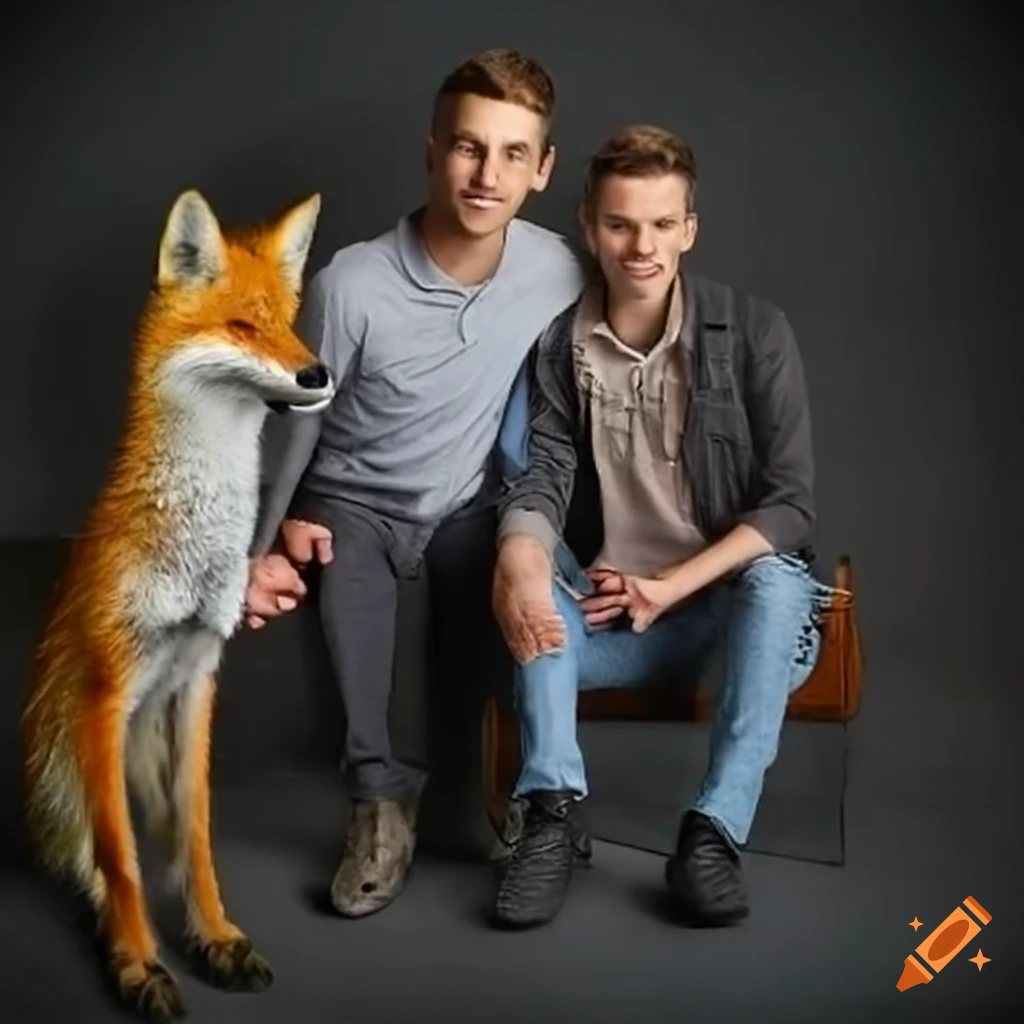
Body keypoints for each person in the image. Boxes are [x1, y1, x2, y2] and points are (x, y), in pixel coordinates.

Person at [243, 48, 586, 918]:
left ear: (543, 170)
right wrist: (263, 541)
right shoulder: (350, 284)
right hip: (353, 499)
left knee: (497, 594)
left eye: (513, 154)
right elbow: (294, 422)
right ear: (432, 151)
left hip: (466, 500)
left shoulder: (559, 271)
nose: (487, 174)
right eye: (468, 147)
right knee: (352, 601)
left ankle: (481, 798)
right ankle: (377, 806)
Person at [489, 123, 835, 930]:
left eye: (660, 224)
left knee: (777, 582)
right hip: (615, 622)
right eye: (619, 224)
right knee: (533, 592)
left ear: (689, 229)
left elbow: (790, 506)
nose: (640, 247)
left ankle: (711, 836)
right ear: (589, 227)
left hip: (738, 629)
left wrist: (669, 586)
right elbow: (540, 473)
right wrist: (521, 556)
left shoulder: (755, 332)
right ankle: (551, 815)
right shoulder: (559, 345)